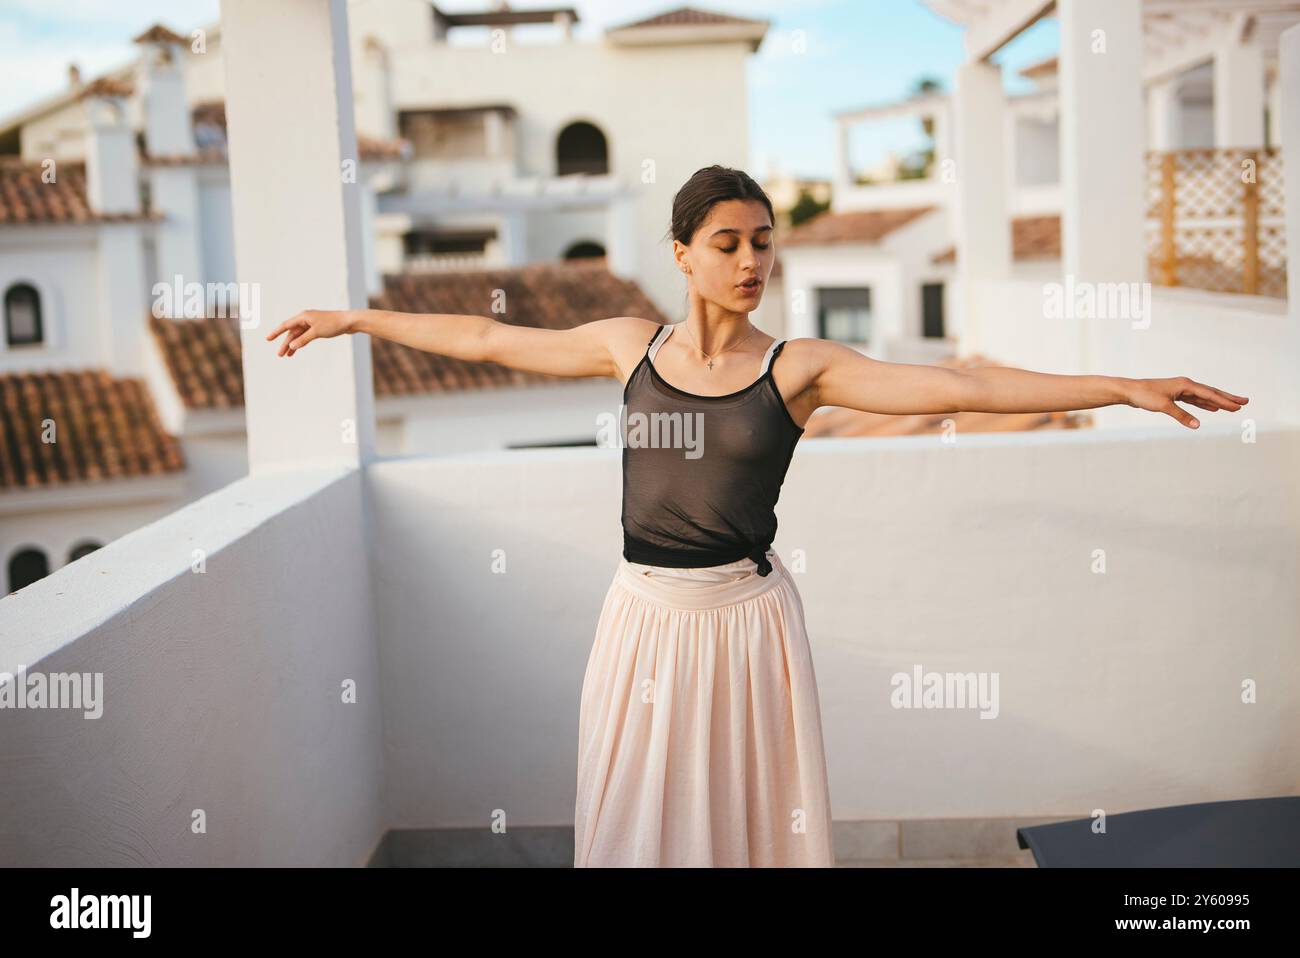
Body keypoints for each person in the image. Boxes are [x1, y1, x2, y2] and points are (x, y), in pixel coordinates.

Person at [265, 165, 1248, 868]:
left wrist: (1122, 383)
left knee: (742, 822)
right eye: (728, 243)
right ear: (684, 254)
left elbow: (954, 381)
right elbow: (484, 336)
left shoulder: (800, 366)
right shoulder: (626, 345)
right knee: (635, 810)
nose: (750, 261)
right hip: (644, 616)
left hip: (746, 621)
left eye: (763, 243)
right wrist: (354, 318)